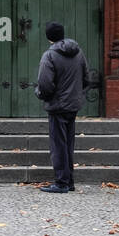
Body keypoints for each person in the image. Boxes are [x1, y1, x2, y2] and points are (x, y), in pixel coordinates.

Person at [34, 21, 90, 193]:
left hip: (57, 106)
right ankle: (69, 181)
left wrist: (39, 93)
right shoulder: (78, 53)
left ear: (48, 36)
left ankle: (61, 183)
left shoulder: (49, 56)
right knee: (68, 144)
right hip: (73, 105)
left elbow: (45, 84)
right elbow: (87, 79)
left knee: (58, 145)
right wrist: (77, 95)